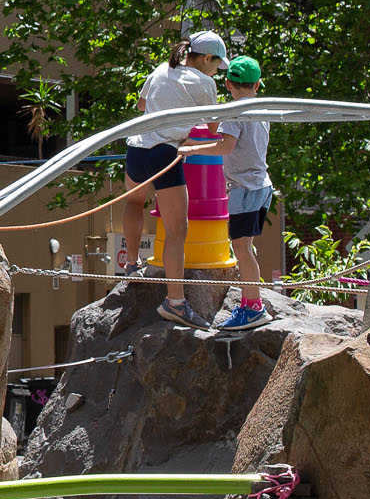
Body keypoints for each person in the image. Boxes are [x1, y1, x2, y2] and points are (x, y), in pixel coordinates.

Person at [116, 30, 227, 326]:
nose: (218, 70)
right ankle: (175, 302)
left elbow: (141, 106)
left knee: (134, 203)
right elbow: (214, 127)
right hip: (164, 152)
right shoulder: (205, 82)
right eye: (217, 64)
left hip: (136, 149)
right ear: (206, 58)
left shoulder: (162, 68)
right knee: (177, 230)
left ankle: (131, 265)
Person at [215, 54, 274, 330]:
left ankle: (253, 307)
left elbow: (225, 147)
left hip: (245, 189)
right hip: (262, 185)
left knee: (242, 249)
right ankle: (251, 303)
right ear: (257, 84)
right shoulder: (261, 109)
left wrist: (190, 149)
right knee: (245, 248)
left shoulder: (234, 111)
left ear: (227, 84)